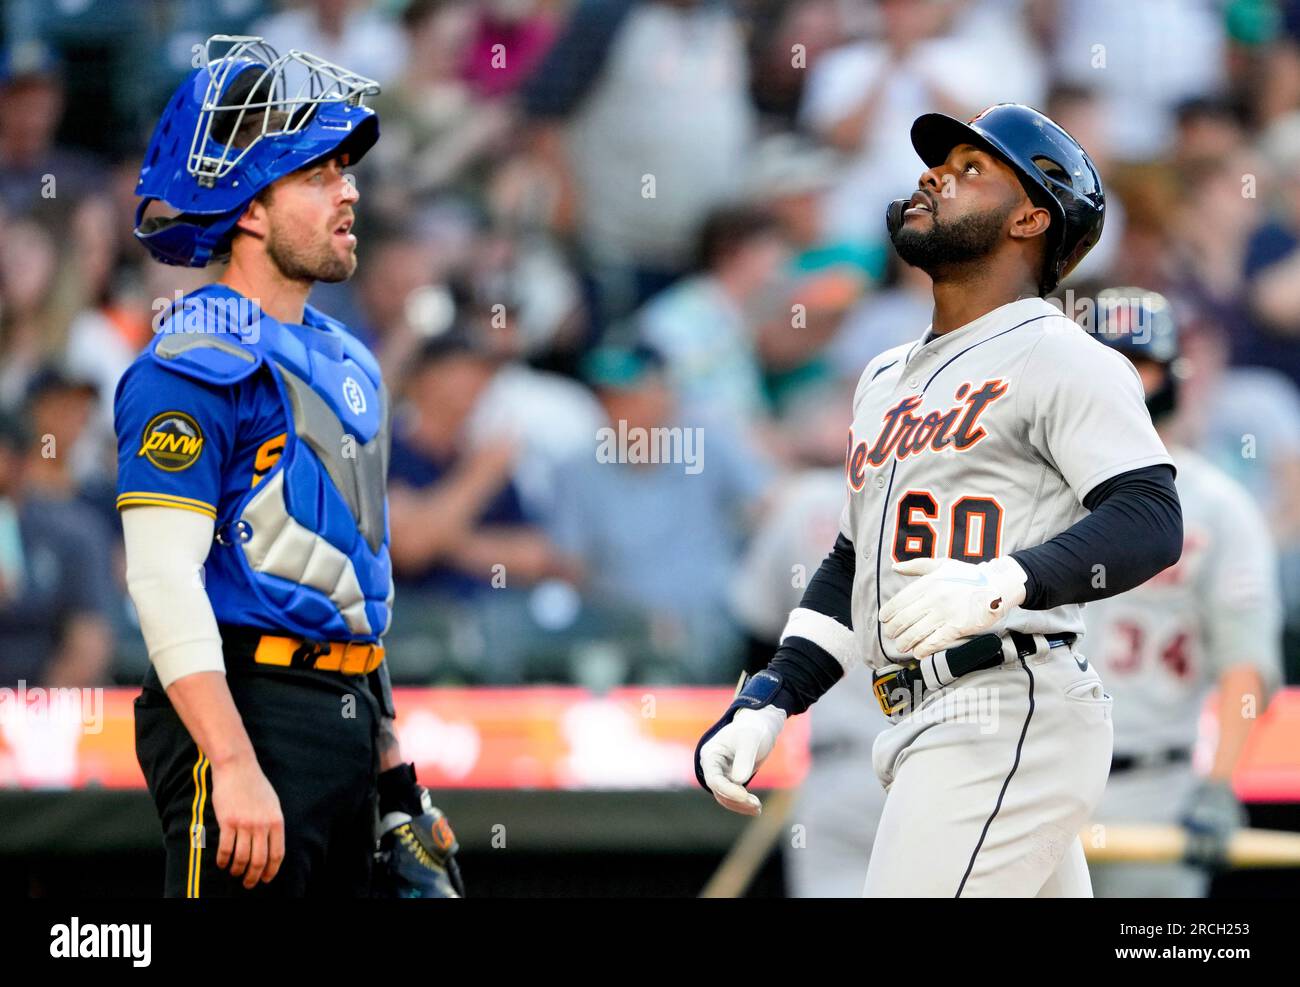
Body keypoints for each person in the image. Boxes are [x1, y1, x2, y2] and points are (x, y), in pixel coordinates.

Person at [695, 103, 1183, 897]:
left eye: (969, 170)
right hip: (922, 715)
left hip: (1005, 701)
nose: (933, 176)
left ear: (1030, 216)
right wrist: (772, 696)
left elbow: (1152, 519)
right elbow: (856, 560)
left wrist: (1008, 578)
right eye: (937, 164)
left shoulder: (1062, 352)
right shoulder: (886, 375)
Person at [116, 36, 460, 898]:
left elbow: (352, 571)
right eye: (317, 173)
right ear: (249, 206)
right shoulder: (189, 358)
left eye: (346, 169)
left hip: (343, 719)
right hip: (242, 706)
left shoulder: (347, 356)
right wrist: (230, 761)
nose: (350, 191)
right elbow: (161, 577)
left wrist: (392, 772)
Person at [1083, 288, 1282, 897]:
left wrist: (1219, 783)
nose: (1127, 384)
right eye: (1108, 365)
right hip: (1034, 781)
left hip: (1155, 786)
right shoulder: (1030, 489)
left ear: (1173, 373)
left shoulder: (1217, 504)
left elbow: (1245, 666)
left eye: (1139, 365)